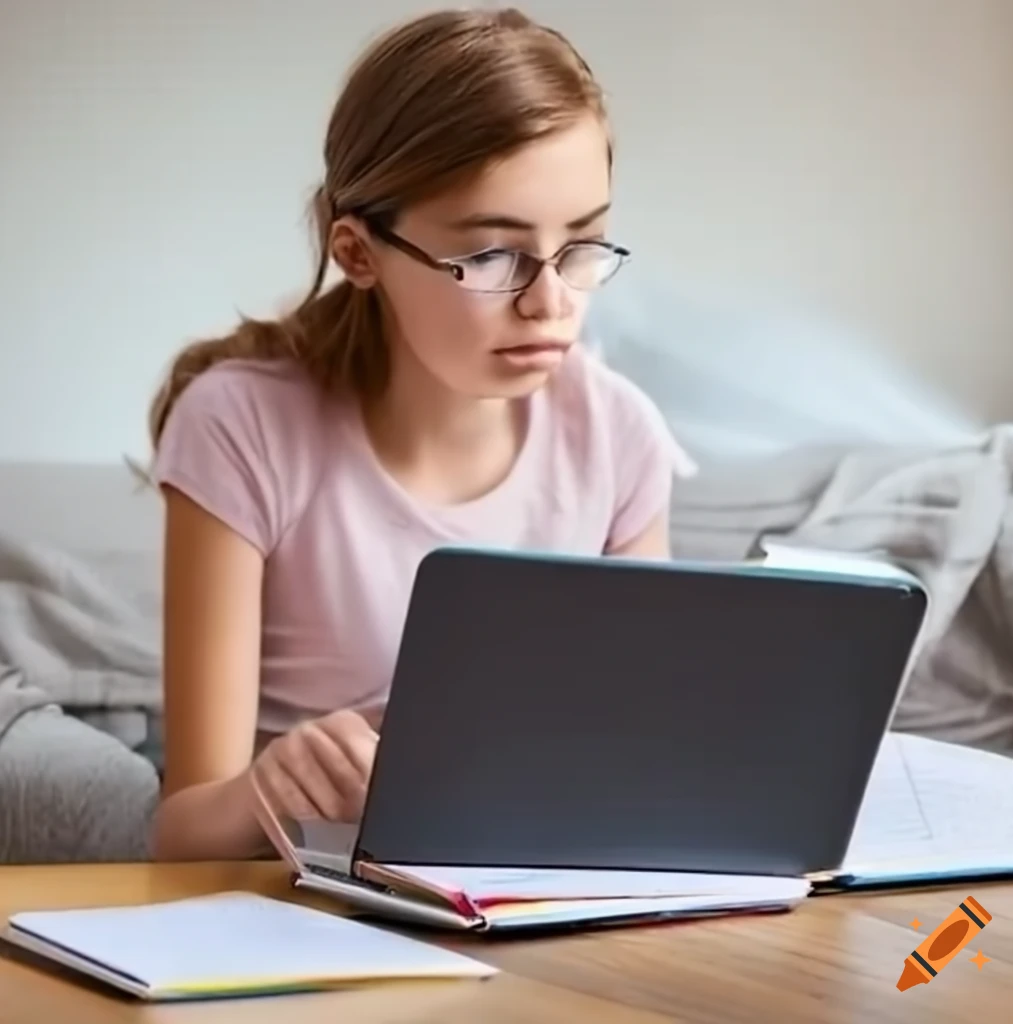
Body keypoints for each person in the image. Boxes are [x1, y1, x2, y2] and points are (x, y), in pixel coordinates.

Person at [148, 6, 695, 862]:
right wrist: (270, 787)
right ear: (360, 253)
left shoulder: (618, 432)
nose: (552, 303)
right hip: (318, 892)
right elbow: (181, 834)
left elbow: (642, 747)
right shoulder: (241, 427)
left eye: (583, 242)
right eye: (492, 258)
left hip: (534, 885)